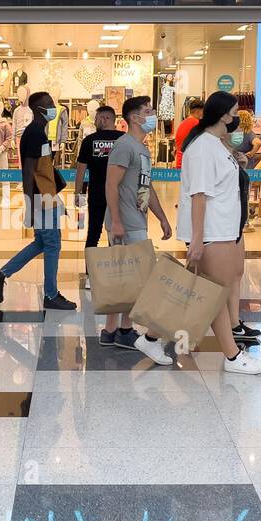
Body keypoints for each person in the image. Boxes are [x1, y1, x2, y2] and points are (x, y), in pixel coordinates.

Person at [177, 92, 261, 376]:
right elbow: (200, 195)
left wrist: (237, 163)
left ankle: (152, 337)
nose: (236, 119)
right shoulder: (204, 147)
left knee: (206, 290)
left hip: (224, 228)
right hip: (211, 231)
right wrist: (196, 237)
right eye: (233, 113)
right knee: (214, 293)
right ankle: (232, 356)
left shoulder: (216, 145)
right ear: (222, 115)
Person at [0, 91, 77, 311]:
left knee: (42, 243)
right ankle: (51, 295)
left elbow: (42, 170)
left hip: (46, 196)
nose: (54, 107)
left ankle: (0, 275)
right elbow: (28, 171)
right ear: (39, 109)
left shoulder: (38, 132)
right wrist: (29, 205)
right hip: (41, 198)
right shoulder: (35, 133)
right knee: (52, 244)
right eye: (50, 104)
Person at [101, 96, 173, 365]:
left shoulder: (142, 149)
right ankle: (125, 330)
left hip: (137, 220)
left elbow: (147, 186)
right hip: (126, 222)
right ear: (133, 117)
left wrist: (162, 218)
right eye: (147, 111)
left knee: (126, 278)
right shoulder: (124, 146)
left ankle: (113, 331)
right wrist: (117, 221)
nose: (152, 115)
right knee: (138, 279)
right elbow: (111, 185)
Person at [74, 104, 124, 249]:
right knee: (116, 234)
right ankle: (116, 269)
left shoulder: (89, 141)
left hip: (97, 193)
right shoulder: (124, 139)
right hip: (120, 194)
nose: (95, 122)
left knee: (93, 234)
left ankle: (91, 270)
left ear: (105, 119)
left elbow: (81, 171)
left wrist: (78, 193)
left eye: (96, 119)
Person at [173, 97, 204, 169]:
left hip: (180, 162)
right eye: (203, 111)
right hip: (191, 164)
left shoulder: (182, 123)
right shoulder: (197, 123)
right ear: (198, 111)